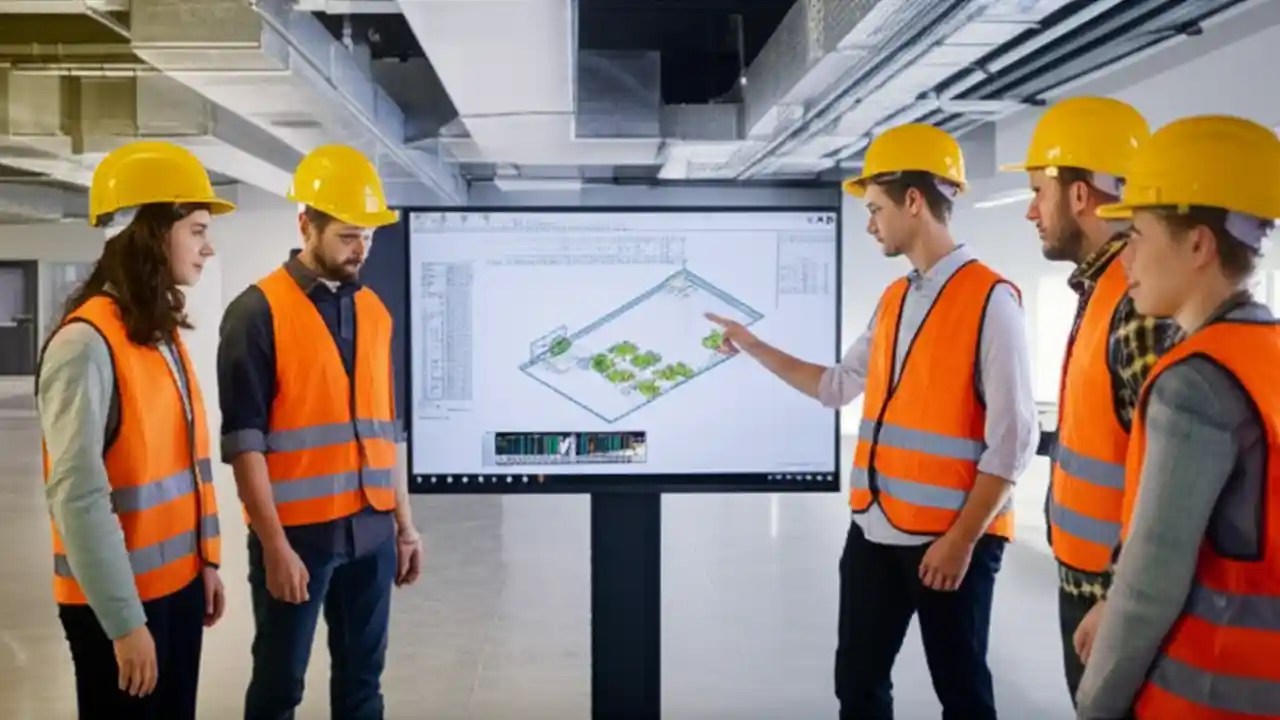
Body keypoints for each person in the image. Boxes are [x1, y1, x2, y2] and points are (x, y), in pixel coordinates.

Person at [708, 123, 1039, 720]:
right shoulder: (894, 299)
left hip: (949, 541)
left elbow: (1014, 442)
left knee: (963, 695)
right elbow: (835, 386)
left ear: (914, 201)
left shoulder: (992, 300)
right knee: (857, 685)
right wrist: (752, 345)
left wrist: (961, 541)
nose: (869, 224)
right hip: (875, 530)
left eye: (876, 208)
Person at [1074, 114, 1280, 719]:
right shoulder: (1265, 351)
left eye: (1137, 233)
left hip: (1201, 696)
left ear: (1197, 244)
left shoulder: (1195, 384)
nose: (1126, 256)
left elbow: (1148, 586)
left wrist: (1094, 704)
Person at [217, 143, 424, 720]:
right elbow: (244, 446)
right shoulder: (255, 313)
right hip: (299, 539)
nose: (362, 251)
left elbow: (388, 431)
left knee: (363, 684)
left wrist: (404, 527)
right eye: (348, 237)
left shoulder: (376, 313)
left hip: (372, 531)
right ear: (305, 223)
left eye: (369, 237)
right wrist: (275, 546)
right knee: (280, 685)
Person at [36, 140, 235, 719]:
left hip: (174, 590)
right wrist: (125, 624)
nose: (208, 246)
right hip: (118, 608)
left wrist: (205, 562)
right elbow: (79, 498)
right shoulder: (85, 345)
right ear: (149, 232)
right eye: (196, 229)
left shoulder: (156, 334)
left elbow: (177, 467)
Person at [1001, 96, 1180, 701]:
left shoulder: (1135, 300)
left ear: (1080, 195)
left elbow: (1171, 477)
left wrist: (1122, 597)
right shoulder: (1101, 287)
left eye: (1038, 192)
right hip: (1090, 577)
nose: (1031, 210)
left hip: (1111, 589)